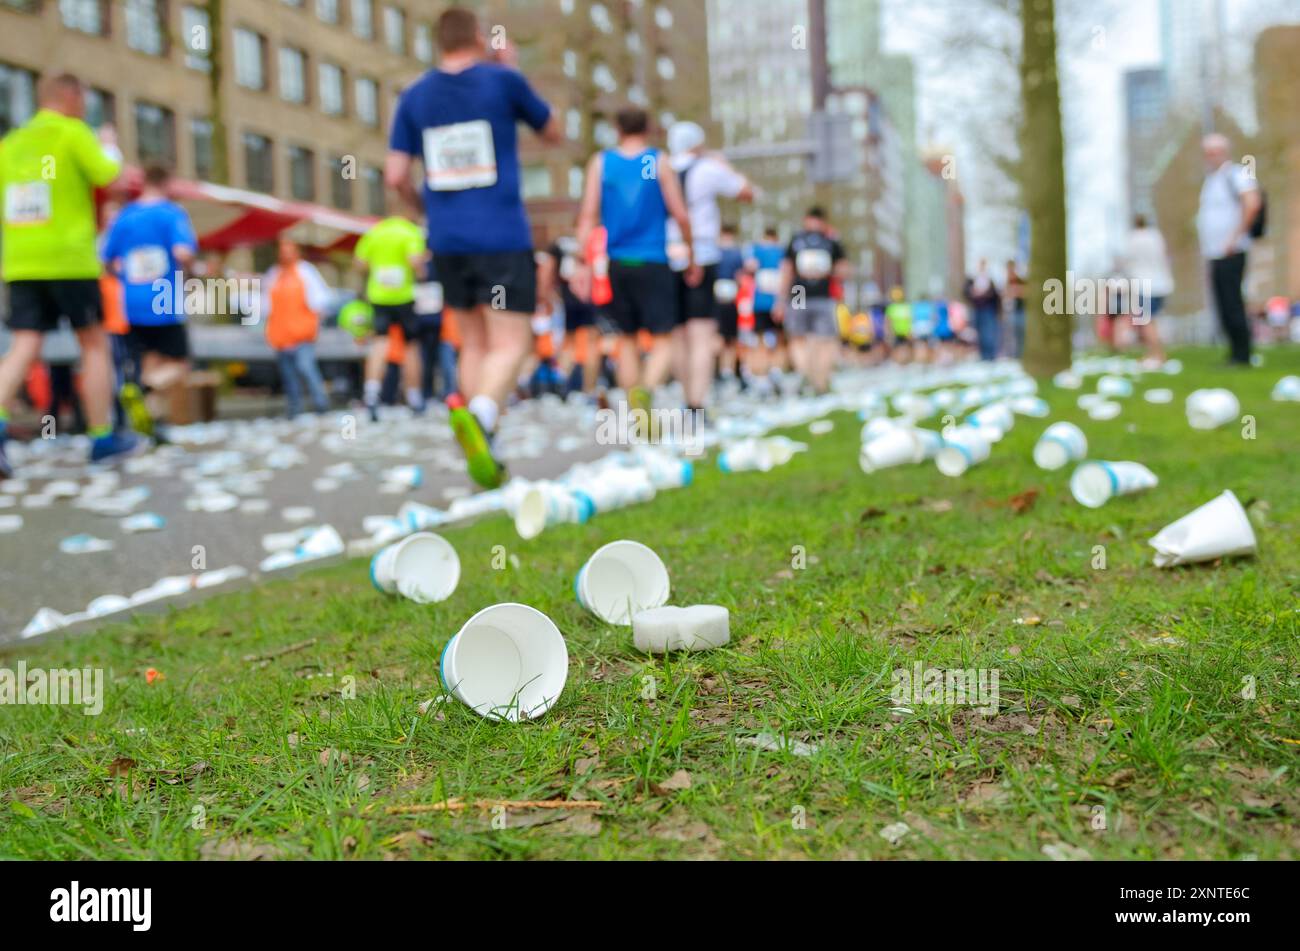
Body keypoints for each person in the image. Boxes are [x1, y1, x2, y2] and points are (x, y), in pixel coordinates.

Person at [385, 6, 562, 489]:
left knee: (475, 343)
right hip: (500, 234)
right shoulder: (501, 81)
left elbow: (395, 174)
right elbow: (552, 131)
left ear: (438, 43)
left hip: (448, 240)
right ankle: (481, 418)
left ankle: (486, 446)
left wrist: (423, 207)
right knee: (513, 341)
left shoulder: (414, 96)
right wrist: (513, 69)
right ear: (479, 38)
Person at [0, 72, 134, 477]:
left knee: (23, 345)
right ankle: (102, 437)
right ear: (72, 96)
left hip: (21, 260)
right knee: (93, 343)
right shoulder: (74, 133)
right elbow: (113, 178)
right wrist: (109, 147)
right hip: (70, 258)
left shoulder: (12, 143)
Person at [575, 106, 694, 434]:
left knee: (626, 339)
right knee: (664, 339)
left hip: (617, 263)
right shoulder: (656, 161)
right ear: (649, 127)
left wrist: (582, 261)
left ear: (616, 128)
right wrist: (692, 252)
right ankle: (647, 391)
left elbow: (587, 215)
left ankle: (637, 415)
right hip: (653, 259)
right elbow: (681, 214)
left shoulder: (601, 163)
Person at [101, 162, 198, 438]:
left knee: (150, 362)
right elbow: (182, 252)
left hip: (130, 303)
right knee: (179, 364)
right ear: (167, 183)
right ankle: (143, 389)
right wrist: (191, 270)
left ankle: (152, 428)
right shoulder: (171, 213)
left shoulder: (125, 216)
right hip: (163, 301)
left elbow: (107, 258)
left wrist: (123, 279)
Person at [664, 122, 753, 412]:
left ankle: (684, 394)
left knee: (677, 335)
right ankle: (696, 403)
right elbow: (746, 192)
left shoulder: (654, 168)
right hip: (700, 253)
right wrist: (722, 163)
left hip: (665, 256)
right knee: (701, 335)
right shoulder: (707, 168)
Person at [354, 214, 430, 420]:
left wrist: (378, 268)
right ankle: (414, 398)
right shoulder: (410, 232)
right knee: (411, 346)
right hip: (404, 296)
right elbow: (415, 262)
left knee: (379, 344)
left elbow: (359, 263)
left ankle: (371, 394)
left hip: (378, 296)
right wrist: (422, 272)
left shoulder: (374, 232)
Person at [1196, 133, 1261, 366]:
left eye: (1214, 152)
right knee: (1223, 303)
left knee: (1233, 302)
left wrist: (1234, 238)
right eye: (1207, 153)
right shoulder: (1210, 180)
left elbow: (1252, 204)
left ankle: (1243, 354)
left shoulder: (1238, 174)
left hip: (1231, 251)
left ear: (1225, 152)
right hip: (1214, 252)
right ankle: (1235, 352)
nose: (1210, 157)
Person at [773, 207, 848, 395]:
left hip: (804, 292)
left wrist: (781, 299)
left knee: (806, 337)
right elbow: (843, 271)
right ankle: (816, 381)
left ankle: (810, 377)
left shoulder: (799, 240)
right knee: (814, 338)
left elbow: (787, 270)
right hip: (815, 293)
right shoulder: (830, 241)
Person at [261, 238, 331, 418]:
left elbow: (320, 299)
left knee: (306, 367)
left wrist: (317, 319)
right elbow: (265, 303)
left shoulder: (306, 271)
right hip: (281, 334)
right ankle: (294, 409)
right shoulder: (274, 274)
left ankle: (321, 403)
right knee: (288, 375)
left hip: (302, 332)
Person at [1121, 214, 1172, 367]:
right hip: (1162, 283)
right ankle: (1153, 353)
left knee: (1145, 321)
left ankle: (1158, 353)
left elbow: (1128, 262)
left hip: (1143, 284)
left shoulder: (1132, 239)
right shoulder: (1156, 236)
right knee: (1152, 319)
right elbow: (1165, 256)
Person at [743, 227, 785, 397]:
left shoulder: (756, 250)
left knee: (760, 341)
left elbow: (748, 268)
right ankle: (774, 371)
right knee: (779, 341)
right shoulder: (781, 252)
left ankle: (764, 376)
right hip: (776, 304)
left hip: (761, 303)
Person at [713, 224, 745, 385]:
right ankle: (725, 371)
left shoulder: (713, 252)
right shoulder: (736, 253)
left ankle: (721, 371)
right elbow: (740, 278)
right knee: (725, 339)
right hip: (727, 300)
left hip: (719, 301)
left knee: (724, 338)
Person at [965, 259, 1001, 361]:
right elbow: (966, 291)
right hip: (977, 309)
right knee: (979, 332)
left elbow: (995, 294)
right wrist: (972, 292)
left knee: (989, 332)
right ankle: (983, 355)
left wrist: (985, 293)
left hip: (988, 309)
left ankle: (990, 355)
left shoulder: (990, 279)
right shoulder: (973, 278)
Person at [1004, 261, 1026, 358]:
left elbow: (1026, 292)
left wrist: (1017, 291)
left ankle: (1020, 355)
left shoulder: (1020, 280)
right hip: (1008, 312)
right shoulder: (1006, 282)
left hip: (1019, 311)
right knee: (1009, 335)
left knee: (1020, 334)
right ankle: (1011, 355)